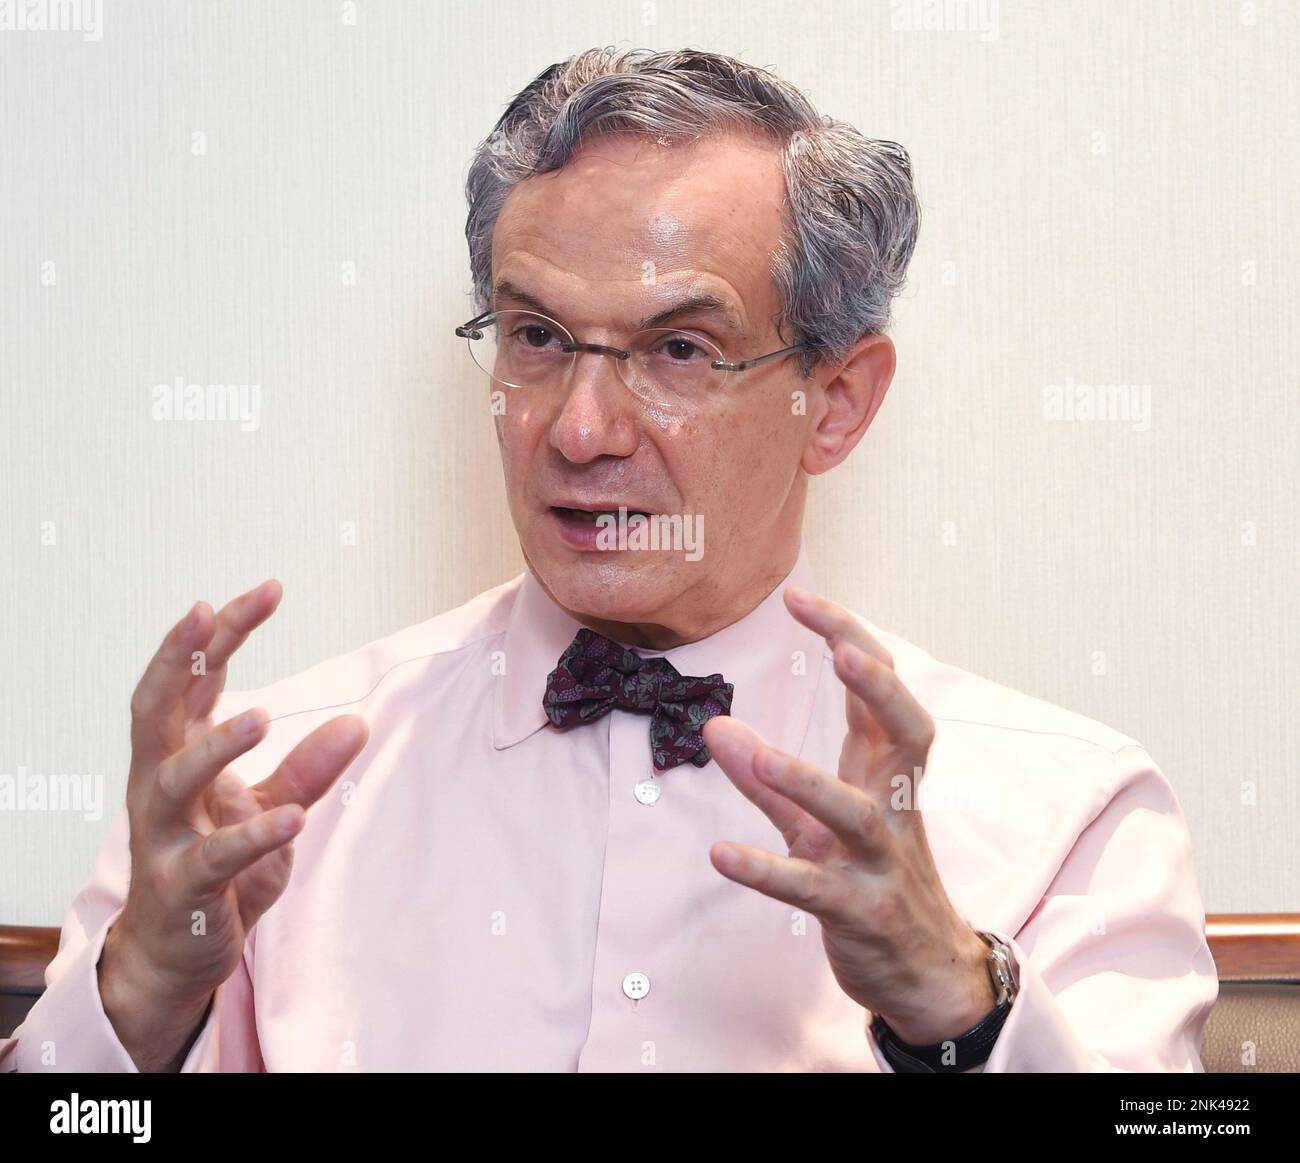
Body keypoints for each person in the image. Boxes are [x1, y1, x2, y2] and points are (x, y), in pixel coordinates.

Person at [2, 46, 1217, 1073]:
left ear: (836, 401)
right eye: (534, 336)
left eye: (679, 349)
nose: (578, 431)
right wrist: (146, 992)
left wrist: (959, 1004)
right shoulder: (250, 792)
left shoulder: (1070, 811)